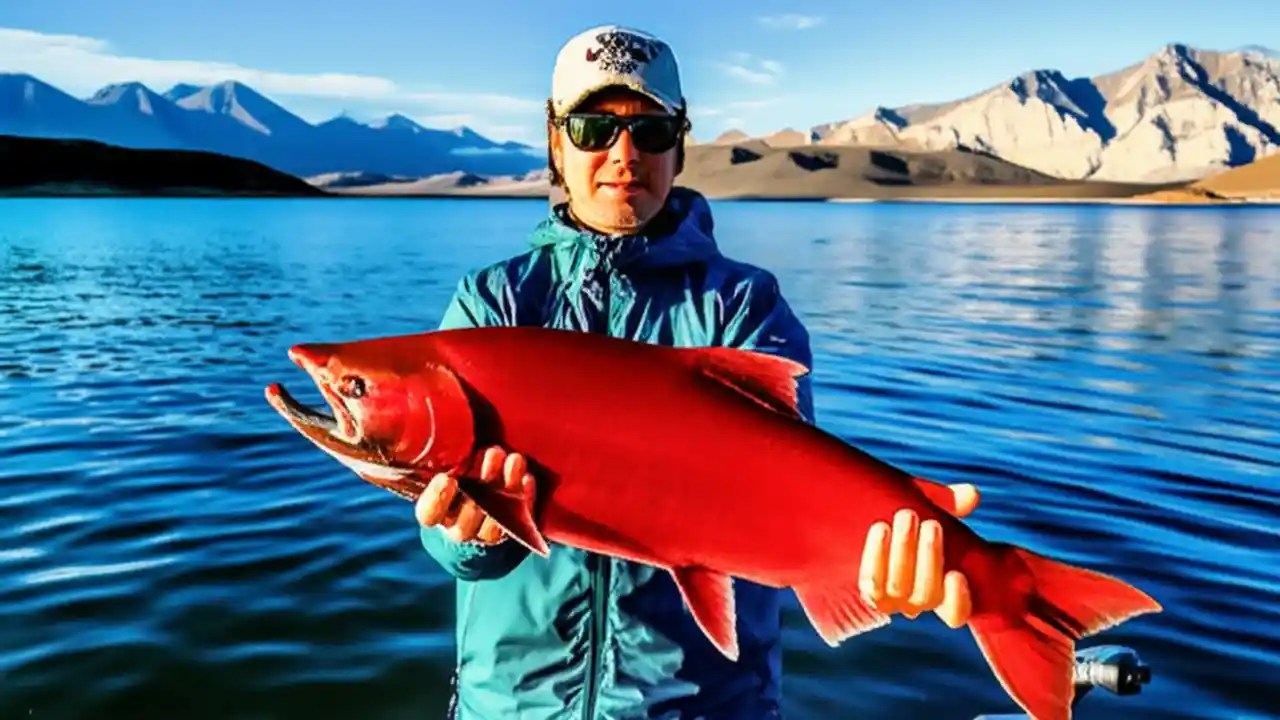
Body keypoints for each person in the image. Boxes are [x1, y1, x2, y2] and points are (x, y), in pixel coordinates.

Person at [413, 24, 981, 720]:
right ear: (556, 143)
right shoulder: (494, 305)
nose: (624, 154)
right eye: (594, 128)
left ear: (680, 145)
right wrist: (467, 535)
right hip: (509, 707)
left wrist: (881, 565)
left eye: (650, 131)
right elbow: (452, 545)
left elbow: (791, 497)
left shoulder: (743, 306)